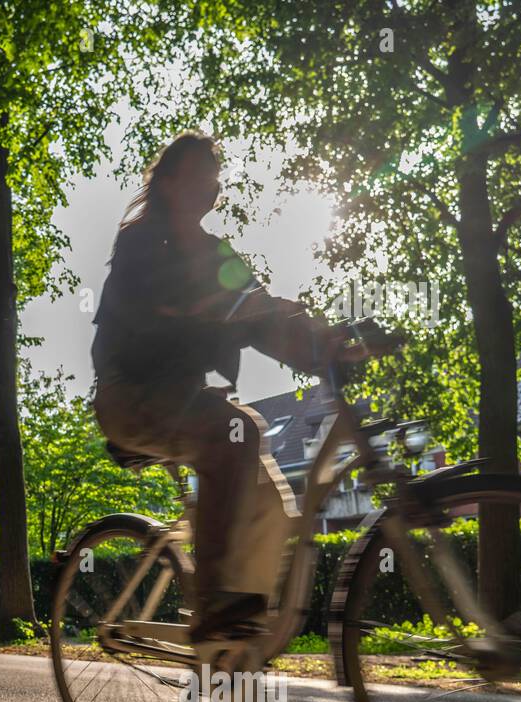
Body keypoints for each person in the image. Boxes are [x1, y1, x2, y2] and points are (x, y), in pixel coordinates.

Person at [90, 132, 347, 667]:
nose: (213, 183)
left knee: (275, 502)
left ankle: (237, 641)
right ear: (167, 183)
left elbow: (265, 318)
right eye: (200, 172)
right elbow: (165, 304)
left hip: (183, 400)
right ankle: (213, 613)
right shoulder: (142, 243)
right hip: (130, 396)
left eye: (215, 174)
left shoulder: (217, 254)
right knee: (239, 431)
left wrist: (328, 344)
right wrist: (232, 308)